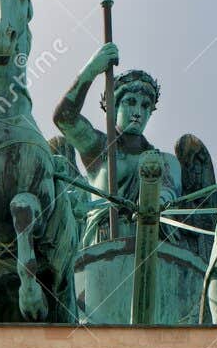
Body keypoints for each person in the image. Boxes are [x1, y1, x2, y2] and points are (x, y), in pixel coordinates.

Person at [53, 43, 181, 244]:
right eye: (130, 102)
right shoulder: (98, 147)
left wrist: (155, 202)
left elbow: (168, 195)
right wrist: (92, 69)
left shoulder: (166, 161)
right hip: (102, 247)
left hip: (151, 246)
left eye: (145, 106)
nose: (138, 112)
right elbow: (64, 118)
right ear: (114, 106)